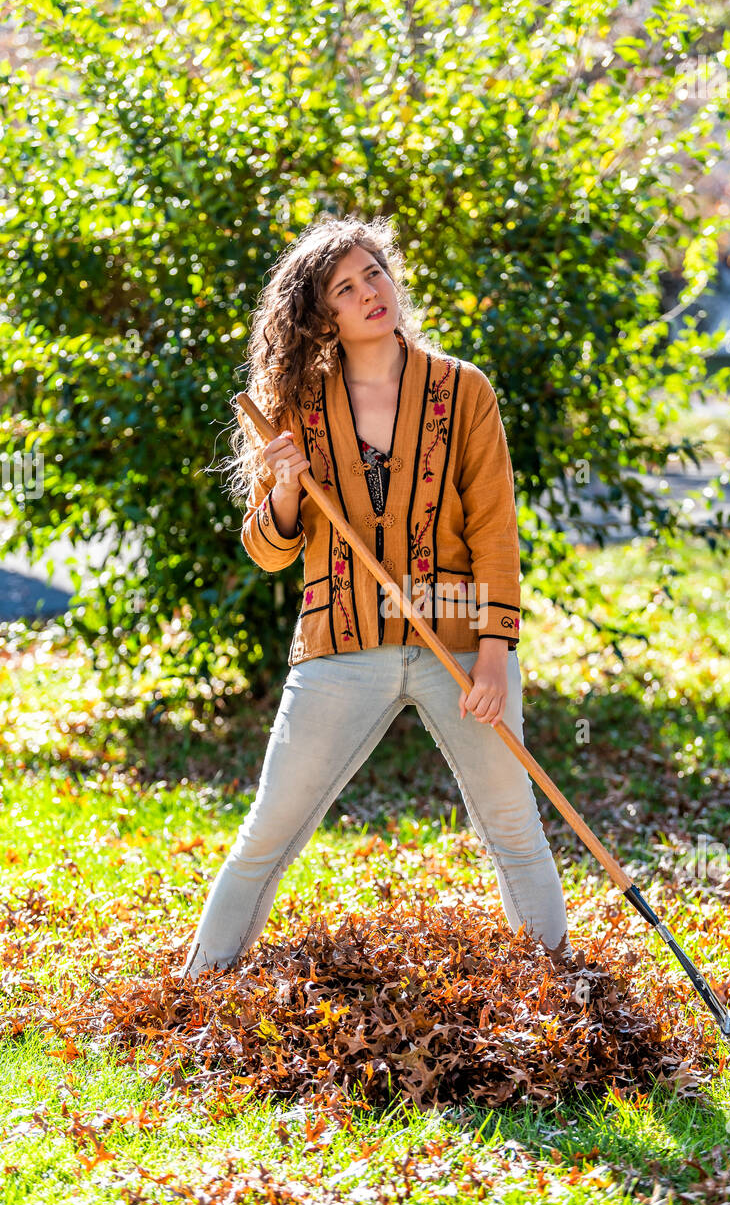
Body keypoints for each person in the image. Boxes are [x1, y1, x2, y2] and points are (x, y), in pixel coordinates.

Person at [181, 212, 571, 979]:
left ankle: (562, 994)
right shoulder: (296, 406)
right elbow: (267, 549)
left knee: (514, 826)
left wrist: (494, 658)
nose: (369, 293)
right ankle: (198, 990)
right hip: (341, 639)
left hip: (457, 641)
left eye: (375, 274)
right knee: (270, 833)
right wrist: (286, 490)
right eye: (346, 288)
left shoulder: (463, 392)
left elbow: (494, 531)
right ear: (321, 314)